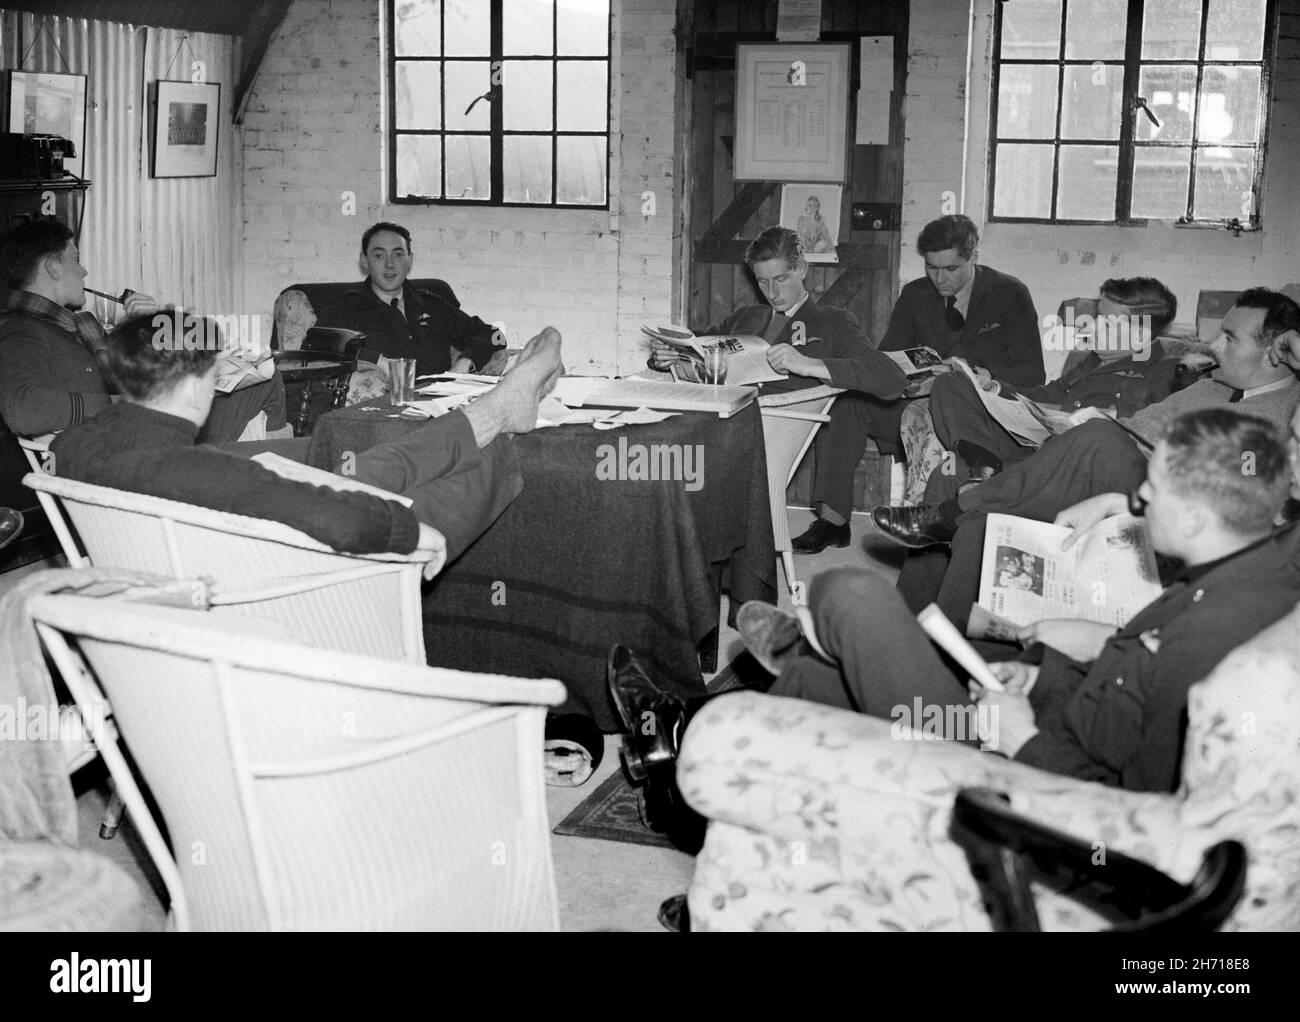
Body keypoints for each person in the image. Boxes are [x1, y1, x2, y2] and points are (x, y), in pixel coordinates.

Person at [609, 407, 1300, 857]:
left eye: (1153, 490)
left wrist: (1018, 737)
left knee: (851, 596)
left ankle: (697, 738)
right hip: (1035, 715)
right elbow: (1128, 685)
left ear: (1204, 519)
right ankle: (683, 745)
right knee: (831, 676)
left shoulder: (1215, 645)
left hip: (1016, 781)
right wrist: (1045, 675)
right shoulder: (1252, 567)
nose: (1137, 499)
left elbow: (1137, 820)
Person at [874, 287, 1300, 626]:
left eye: (1229, 338)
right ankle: (909, 629)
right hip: (1079, 455)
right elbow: (1138, 425)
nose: (1213, 345)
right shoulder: (1209, 385)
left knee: (1100, 435)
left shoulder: (1288, 414)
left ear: (1276, 352)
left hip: (1151, 490)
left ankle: (958, 507)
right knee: (964, 500)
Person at [49, 312, 565, 562]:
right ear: (193, 386)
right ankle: (494, 422)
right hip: (271, 564)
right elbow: (342, 521)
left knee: (344, 455)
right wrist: (409, 532)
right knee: (454, 472)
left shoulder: (73, 445)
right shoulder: (207, 473)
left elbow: (226, 475)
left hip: (200, 536)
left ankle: (487, 414)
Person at [648, 226, 907, 553]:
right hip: (718, 421)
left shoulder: (832, 321)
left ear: (801, 269)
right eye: (762, 281)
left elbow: (890, 377)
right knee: (649, 440)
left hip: (766, 433)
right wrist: (668, 356)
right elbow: (698, 344)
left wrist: (808, 365)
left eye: (781, 279)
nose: (771, 291)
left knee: (666, 456)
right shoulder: (746, 317)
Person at [0, 218, 287, 443]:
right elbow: (22, 410)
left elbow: (147, 374)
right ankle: (261, 480)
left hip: (142, 430)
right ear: (52, 267)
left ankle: (249, 478)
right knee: (264, 391)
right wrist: (120, 405)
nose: (83, 271)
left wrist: (147, 325)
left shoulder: (75, 327)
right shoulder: (21, 332)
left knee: (262, 379)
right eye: (75, 258)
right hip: (130, 442)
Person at [921, 276, 1181, 501]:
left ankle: (982, 473)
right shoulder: (1093, 360)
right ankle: (981, 463)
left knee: (954, 477)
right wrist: (994, 386)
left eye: (1106, 321)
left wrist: (1086, 417)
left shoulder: (1168, 370)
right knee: (952, 389)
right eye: (1096, 316)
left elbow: (1158, 432)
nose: (1091, 326)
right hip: (1031, 444)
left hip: (1065, 464)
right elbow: (1046, 395)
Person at [865, 214, 1044, 459]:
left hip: (981, 410)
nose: (939, 280)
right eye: (931, 268)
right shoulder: (915, 294)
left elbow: (1033, 375)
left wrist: (982, 376)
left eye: (951, 269)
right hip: (920, 402)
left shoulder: (1010, 294)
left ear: (973, 258)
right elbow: (889, 356)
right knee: (848, 404)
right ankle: (830, 498)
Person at [314, 221, 504, 375]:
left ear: (410, 259)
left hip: (438, 406)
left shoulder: (432, 304)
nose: (390, 264)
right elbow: (317, 345)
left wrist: (465, 362)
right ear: (364, 260)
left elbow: (494, 336)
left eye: (398, 255)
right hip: (378, 410)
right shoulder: (346, 306)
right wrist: (376, 361)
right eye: (379, 256)